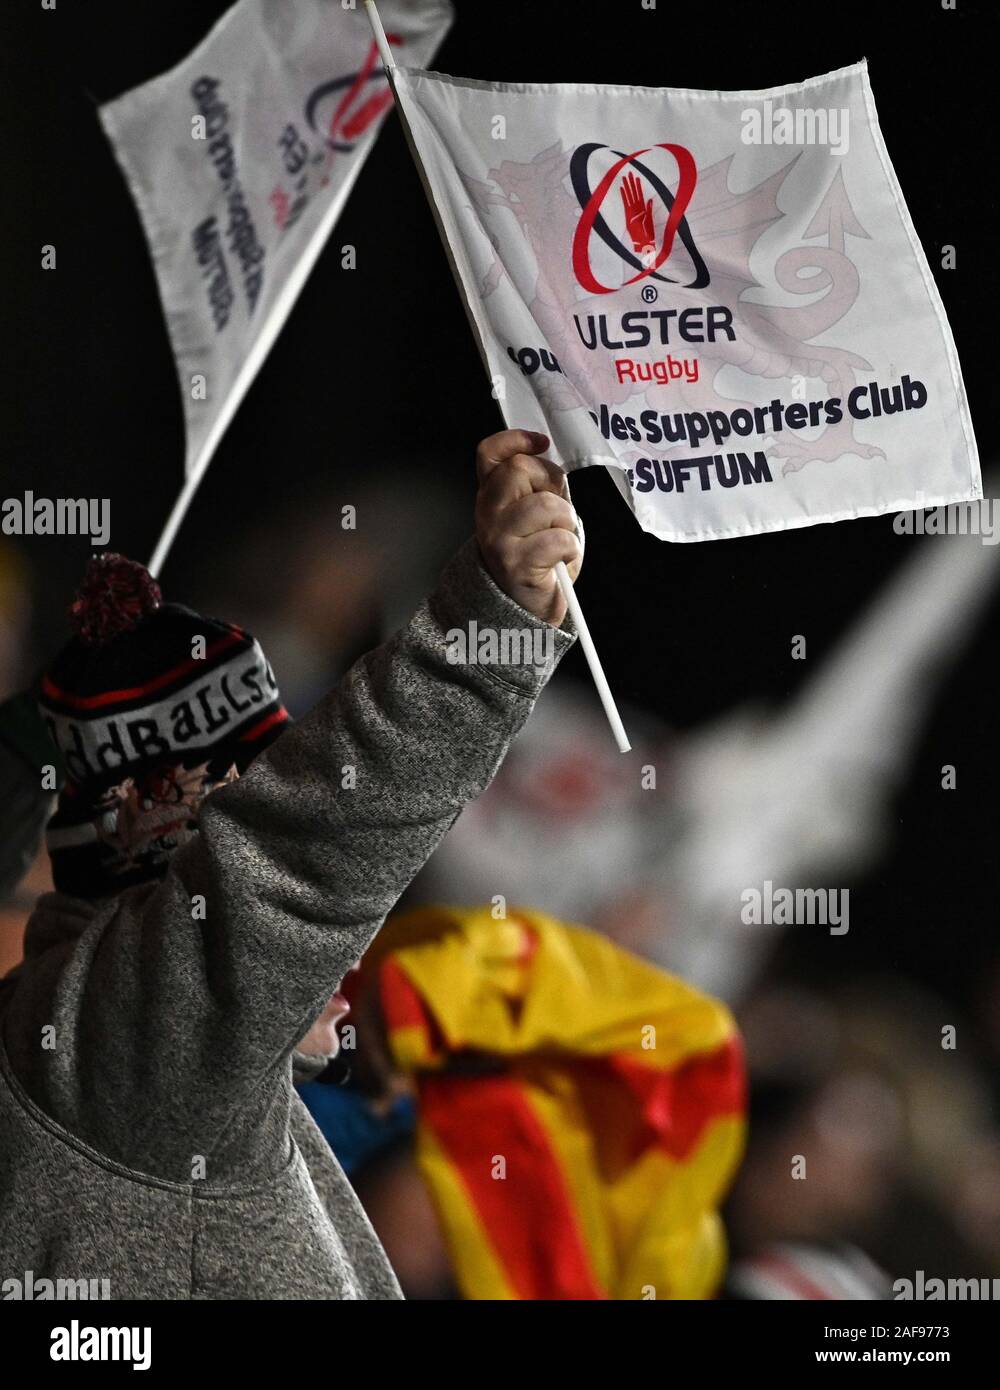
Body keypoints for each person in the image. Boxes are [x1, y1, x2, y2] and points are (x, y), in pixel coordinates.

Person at [0, 429, 581, 1301]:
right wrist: (489, 624)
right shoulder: (130, 1064)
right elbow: (308, 863)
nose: (353, 945)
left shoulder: (157, 1076)